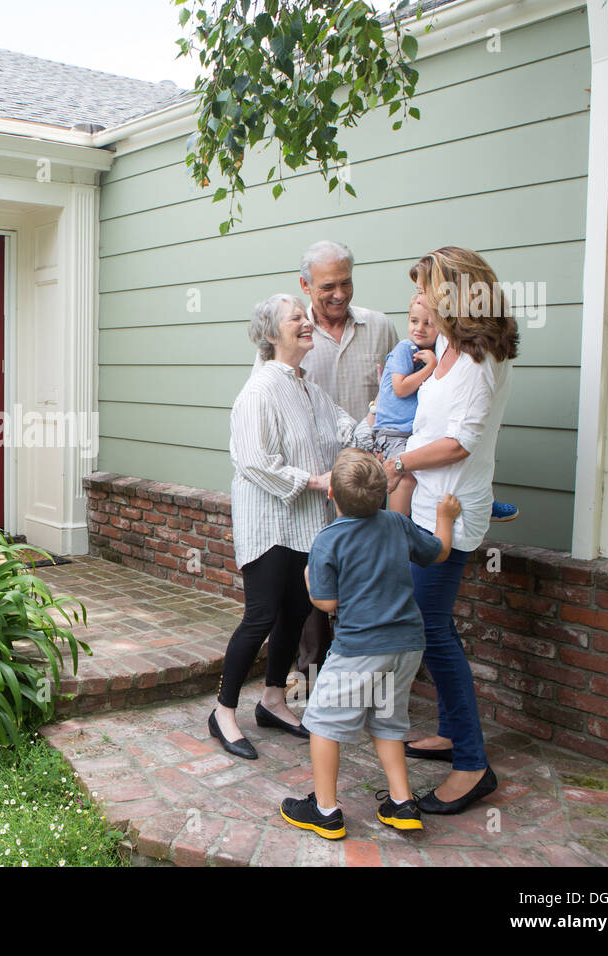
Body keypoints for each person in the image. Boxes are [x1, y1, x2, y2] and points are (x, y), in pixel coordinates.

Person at [382, 246, 518, 814]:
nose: (424, 303)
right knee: (434, 625)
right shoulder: (447, 346)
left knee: (431, 628)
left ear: (457, 296)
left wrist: (401, 464)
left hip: (451, 510)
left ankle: (472, 766)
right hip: (425, 504)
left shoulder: (480, 364)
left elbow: (460, 442)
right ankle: (450, 733)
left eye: (432, 292)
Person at [209, 294, 365, 759]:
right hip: (270, 524)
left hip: (309, 526)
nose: (306, 321)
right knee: (260, 616)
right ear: (271, 334)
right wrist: (314, 480)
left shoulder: (311, 389)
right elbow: (254, 462)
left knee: (296, 615)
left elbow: (347, 431)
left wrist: (389, 412)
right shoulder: (259, 391)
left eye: (305, 315)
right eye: (295, 317)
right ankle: (222, 712)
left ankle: (273, 699)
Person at [280, 449, 461, 839]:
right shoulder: (397, 524)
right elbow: (440, 552)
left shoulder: (328, 539)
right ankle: (402, 803)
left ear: (331, 493)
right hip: (407, 646)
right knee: (387, 721)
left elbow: (327, 603)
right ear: (382, 494)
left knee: (325, 724)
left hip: (359, 649)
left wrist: (311, 580)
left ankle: (325, 811)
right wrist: (445, 518)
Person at [293, 240, 400, 691]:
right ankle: (310, 677)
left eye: (346, 282)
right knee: (318, 577)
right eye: (327, 286)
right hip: (318, 481)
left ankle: (370, 677)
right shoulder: (292, 335)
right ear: (305, 285)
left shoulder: (379, 328)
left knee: (370, 574)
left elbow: (400, 389)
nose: (339, 294)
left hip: (371, 481)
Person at [372, 294, 520, 520]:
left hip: (413, 429)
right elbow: (400, 388)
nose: (419, 329)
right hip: (394, 431)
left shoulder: (441, 348)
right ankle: (397, 527)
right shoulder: (406, 349)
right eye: (414, 321)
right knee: (407, 476)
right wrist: (429, 367)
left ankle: (482, 500)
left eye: (428, 323)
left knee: (459, 455)